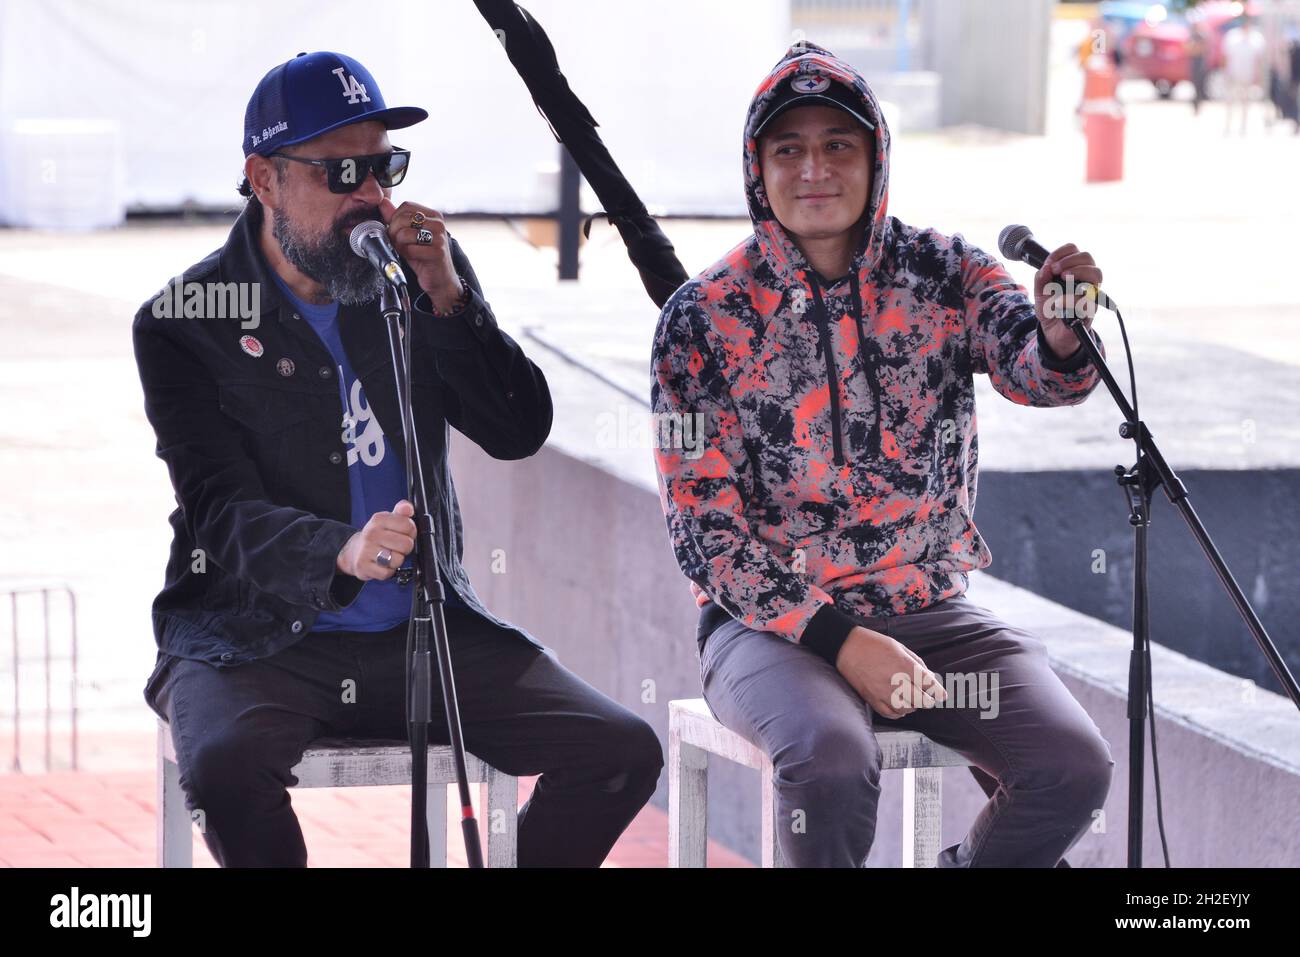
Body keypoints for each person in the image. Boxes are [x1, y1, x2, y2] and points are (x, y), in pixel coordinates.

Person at [133, 51, 662, 867]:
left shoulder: (417, 280)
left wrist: (450, 298)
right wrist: (337, 548)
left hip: (425, 629)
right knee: (228, 766)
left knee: (622, 751)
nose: (371, 196)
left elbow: (517, 429)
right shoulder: (183, 321)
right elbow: (218, 512)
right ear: (265, 179)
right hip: (256, 635)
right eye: (343, 171)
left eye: (385, 166)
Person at [651, 43, 1115, 867]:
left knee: (1072, 765)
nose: (814, 168)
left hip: (931, 608)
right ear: (757, 168)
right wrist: (839, 639)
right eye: (787, 148)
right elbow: (703, 537)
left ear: (876, 157)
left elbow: (1038, 376)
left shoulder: (947, 272)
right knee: (830, 762)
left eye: (839, 144)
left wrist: (1060, 334)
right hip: (772, 628)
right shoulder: (701, 318)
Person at [1222, 16, 1266, 135]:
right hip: (1234, 74)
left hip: (1248, 75)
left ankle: (1243, 127)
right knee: (1230, 102)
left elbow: (1259, 60)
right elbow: (1226, 57)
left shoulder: (1256, 39)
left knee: (1245, 102)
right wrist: (1226, 73)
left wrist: (1258, 76)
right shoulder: (1232, 37)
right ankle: (1228, 126)